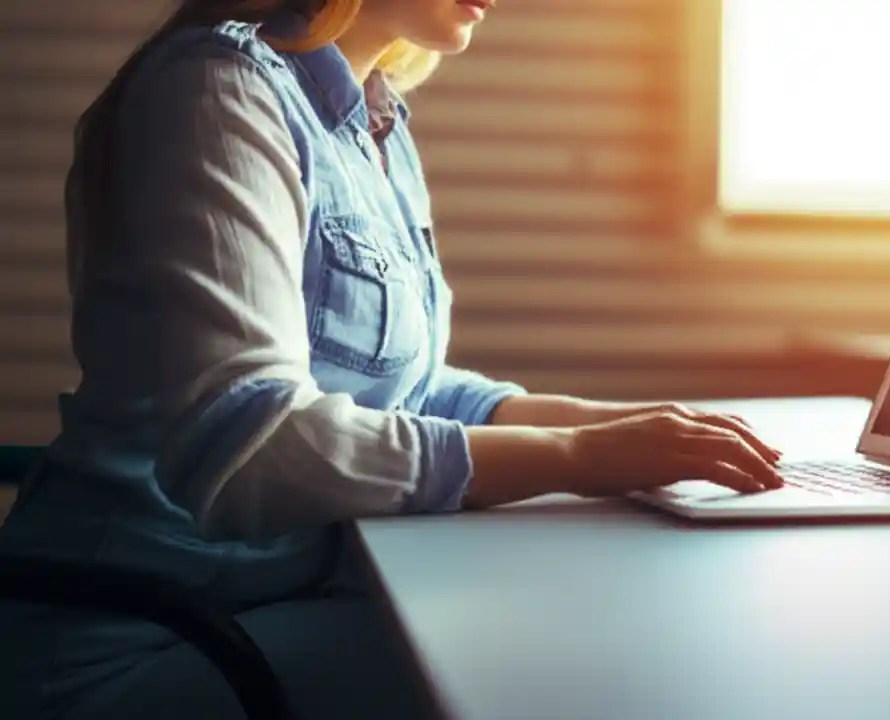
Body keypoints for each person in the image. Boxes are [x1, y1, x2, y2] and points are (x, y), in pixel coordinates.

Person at [0, 1, 787, 717]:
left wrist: (637, 434)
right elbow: (249, 444)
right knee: (558, 666)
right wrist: (575, 456)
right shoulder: (214, 93)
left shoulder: (372, 124)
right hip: (136, 643)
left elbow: (403, 389)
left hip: (261, 604)